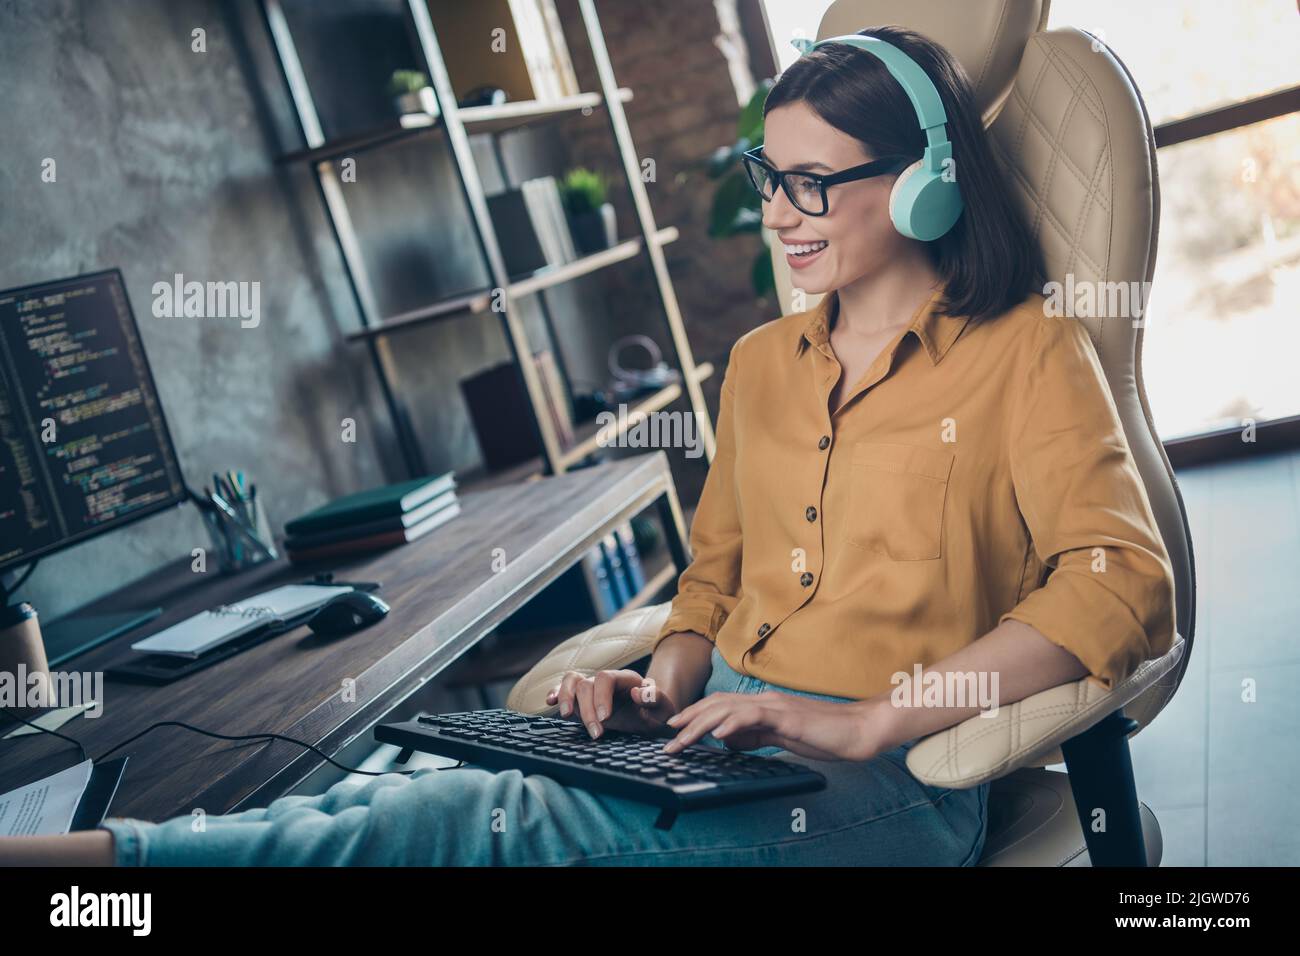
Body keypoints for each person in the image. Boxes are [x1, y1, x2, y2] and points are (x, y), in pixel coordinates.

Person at [0, 25, 1174, 868]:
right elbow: (713, 575)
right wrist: (659, 680)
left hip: (891, 780)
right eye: (770, 175)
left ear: (923, 187)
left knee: (465, 827)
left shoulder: (1026, 352)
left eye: (811, 183)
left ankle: (99, 865)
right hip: (717, 727)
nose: (775, 212)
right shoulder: (763, 365)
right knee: (428, 786)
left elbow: (1124, 582)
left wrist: (870, 717)